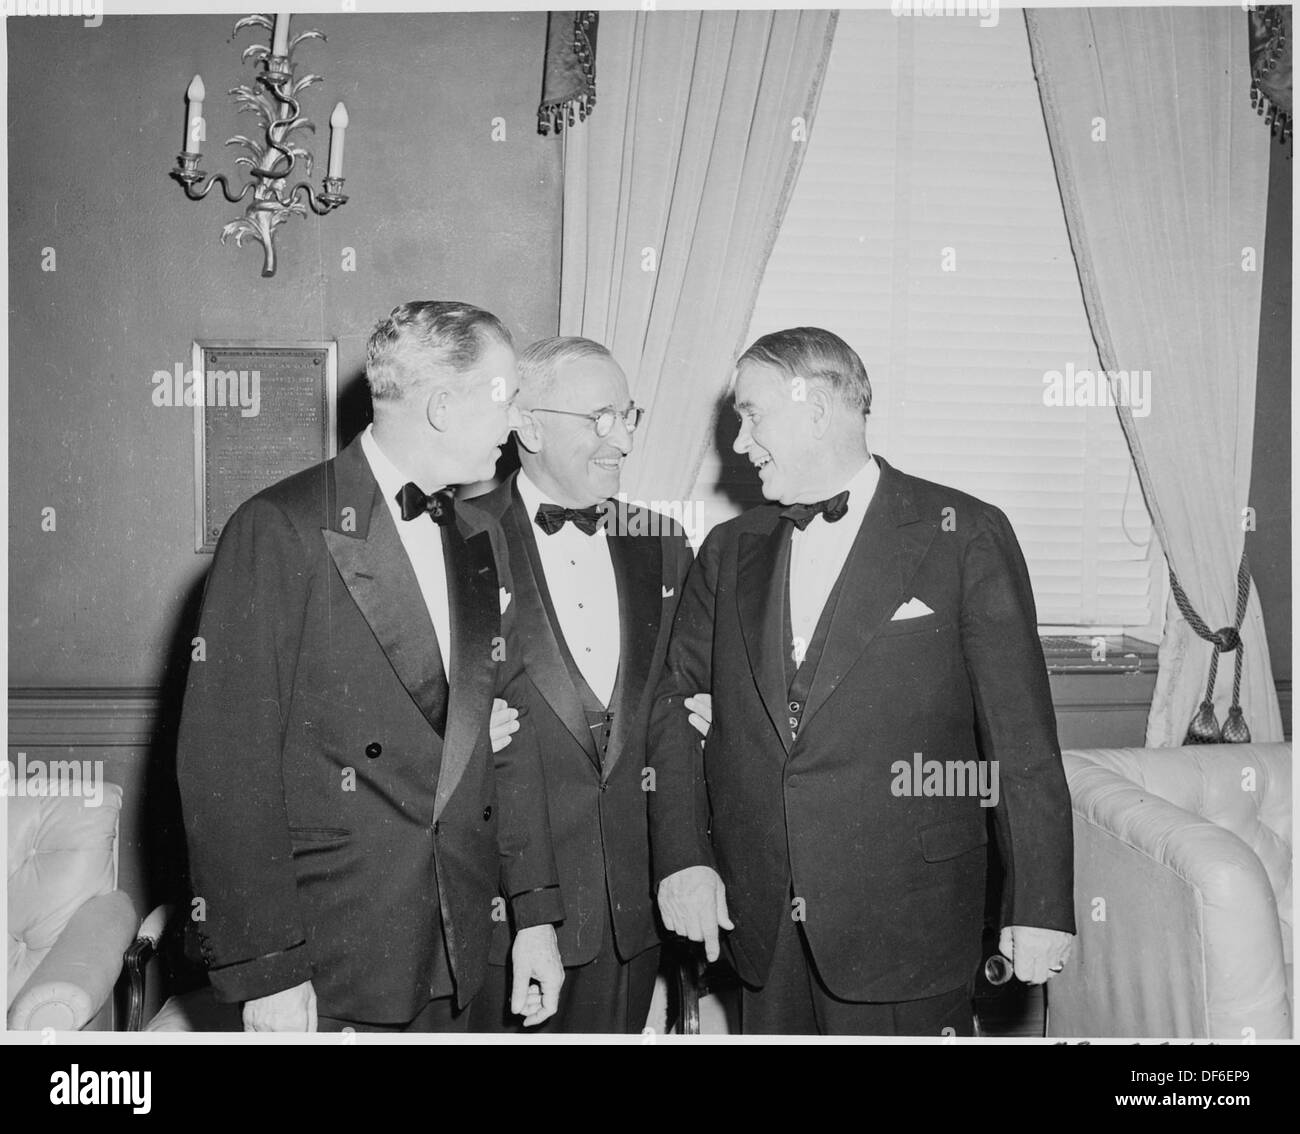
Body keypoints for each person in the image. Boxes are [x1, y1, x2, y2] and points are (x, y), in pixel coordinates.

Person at [647, 326, 1076, 1035]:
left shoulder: (964, 533)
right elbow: (670, 703)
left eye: (752, 415)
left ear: (815, 410)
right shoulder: (729, 552)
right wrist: (685, 860)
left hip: (909, 924)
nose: (741, 441)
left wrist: (1040, 906)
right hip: (759, 923)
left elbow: (1021, 742)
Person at [177, 300, 564, 1032]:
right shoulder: (279, 528)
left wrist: (537, 918)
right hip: (335, 956)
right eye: (506, 397)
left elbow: (507, 744)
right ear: (445, 407)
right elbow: (226, 769)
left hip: (466, 946)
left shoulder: (481, 536)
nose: (517, 422)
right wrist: (269, 972)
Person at [467, 337, 693, 1033]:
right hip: (502, 924)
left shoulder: (662, 541)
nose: (622, 439)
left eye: (629, 416)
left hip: (630, 919)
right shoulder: (459, 541)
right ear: (527, 426)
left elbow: (672, 710)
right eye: (601, 418)